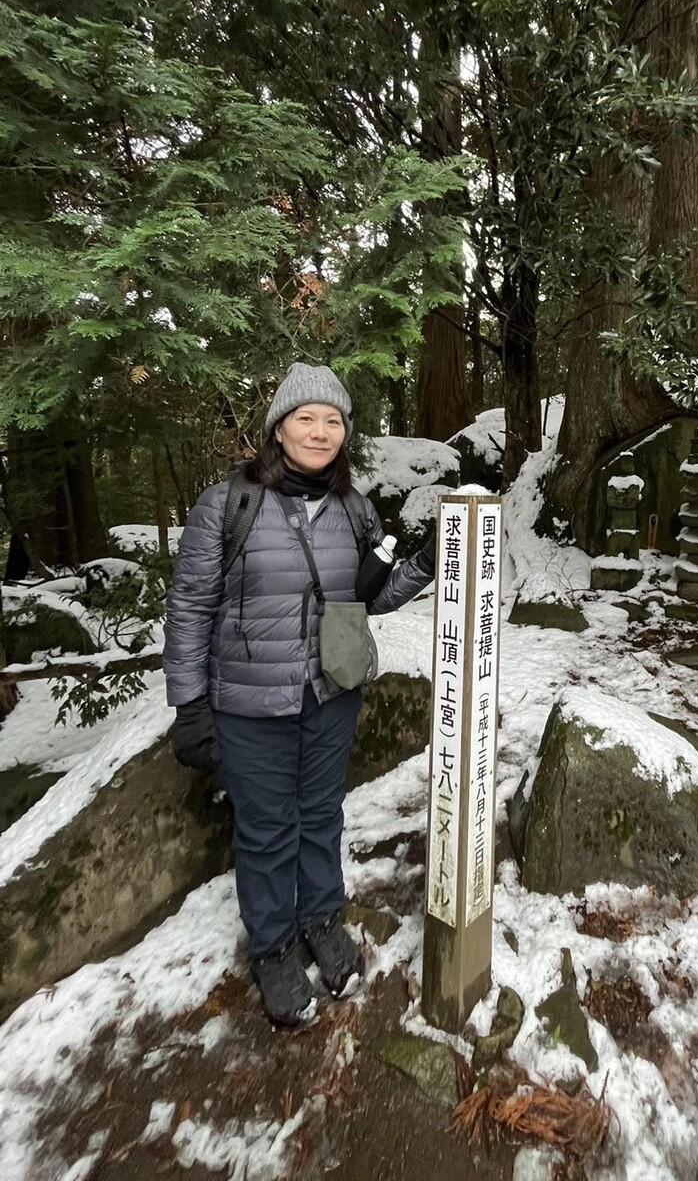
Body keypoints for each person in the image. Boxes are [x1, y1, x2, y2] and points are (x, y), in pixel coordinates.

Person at [163, 363, 435, 1028]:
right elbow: (190, 608)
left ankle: (320, 917)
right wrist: (190, 704)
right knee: (264, 830)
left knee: (321, 815)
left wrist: (427, 566)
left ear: (345, 433)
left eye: (333, 420)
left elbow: (370, 596)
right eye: (305, 418)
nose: (320, 431)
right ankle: (273, 945)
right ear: (278, 429)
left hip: (331, 693)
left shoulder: (353, 508)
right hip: (249, 706)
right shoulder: (225, 505)